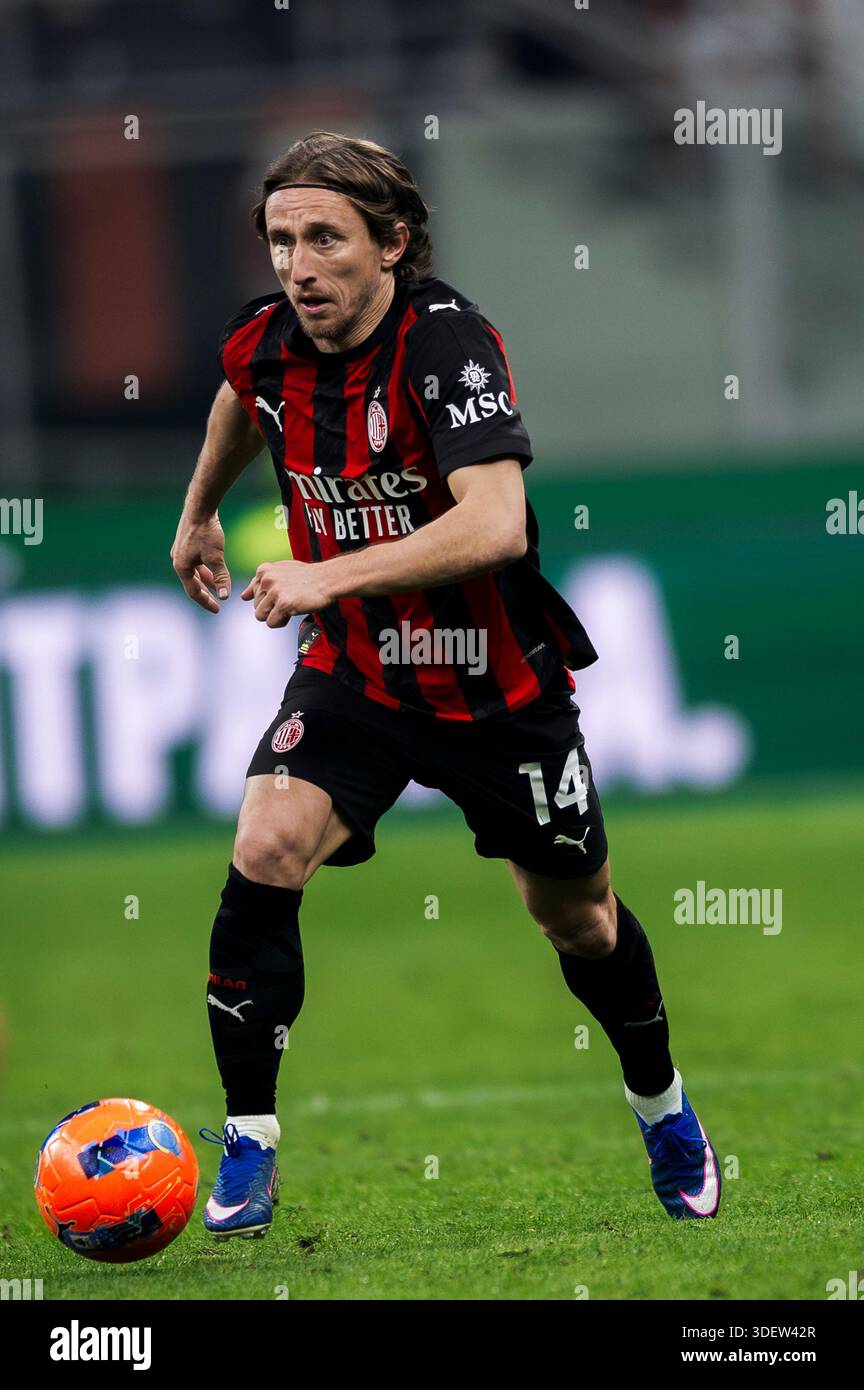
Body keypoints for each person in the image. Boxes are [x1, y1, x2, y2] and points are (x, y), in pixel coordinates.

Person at [171, 129, 721, 1238]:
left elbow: (493, 523)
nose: (298, 265)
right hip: (352, 680)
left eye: (325, 238)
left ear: (391, 244)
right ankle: (248, 1141)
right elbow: (244, 397)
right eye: (280, 239)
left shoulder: (446, 347)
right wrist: (194, 514)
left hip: (495, 689)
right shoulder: (264, 341)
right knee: (264, 847)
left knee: (579, 922)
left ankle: (661, 1106)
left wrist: (326, 572)